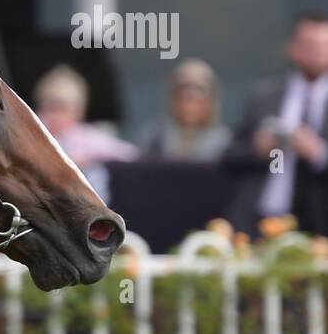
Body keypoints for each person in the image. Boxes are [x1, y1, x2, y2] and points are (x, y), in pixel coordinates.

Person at [223, 13, 328, 236]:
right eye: (308, 45)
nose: (316, 52)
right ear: (292, 47)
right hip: (262, 222)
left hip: (319, 227)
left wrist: (318, 153)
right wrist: (258, 147)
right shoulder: (265, 96)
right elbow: (230, 156)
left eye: (322, 45)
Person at [33, 64, 137, 200]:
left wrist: (88, 158)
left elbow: (131, 155)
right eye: (48, 105)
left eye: (60, 106)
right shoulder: (32, 133)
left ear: (79, 111)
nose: (53, 113)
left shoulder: (88, 137)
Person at [135, 59, 231, 161]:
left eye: (199, 88)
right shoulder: (153, 138)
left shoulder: (225, 143)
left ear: (213, 97)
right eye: (182, 87)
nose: (189, 94)